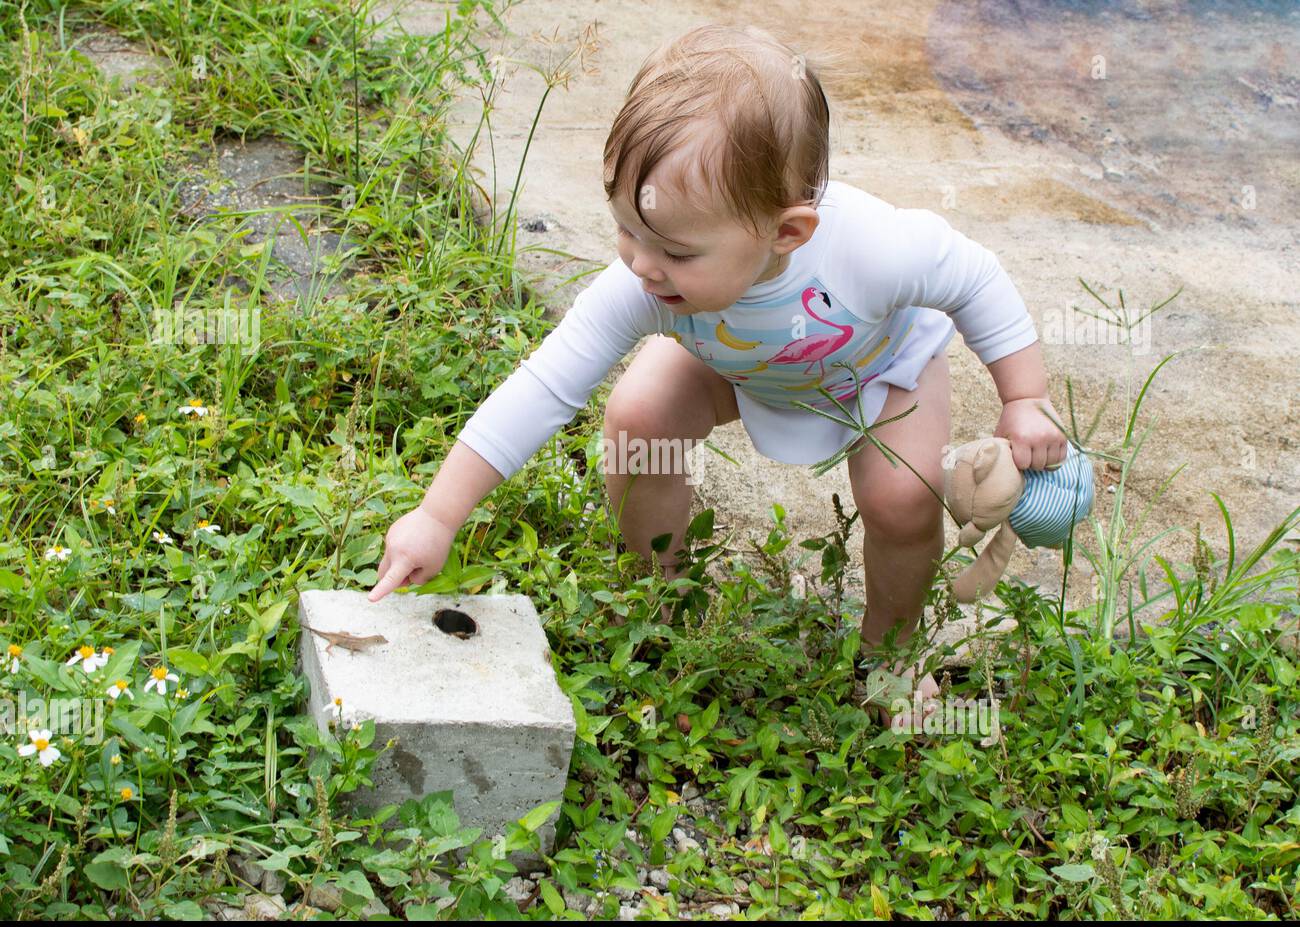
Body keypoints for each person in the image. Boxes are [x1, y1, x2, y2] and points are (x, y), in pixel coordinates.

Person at [368, 24, 1067, 729]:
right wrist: (438, 514)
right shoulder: (648, 283)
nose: (641, 265)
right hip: (733, 364)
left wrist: (1025, 396)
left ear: (786, 234)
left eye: (673, 249)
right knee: (639, 419)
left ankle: (891, 653)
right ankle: (655, 595)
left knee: (901, 501)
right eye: (626, 230)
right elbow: (546, 384)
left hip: (880, 372)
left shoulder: (876, 251)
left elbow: (975, 278)